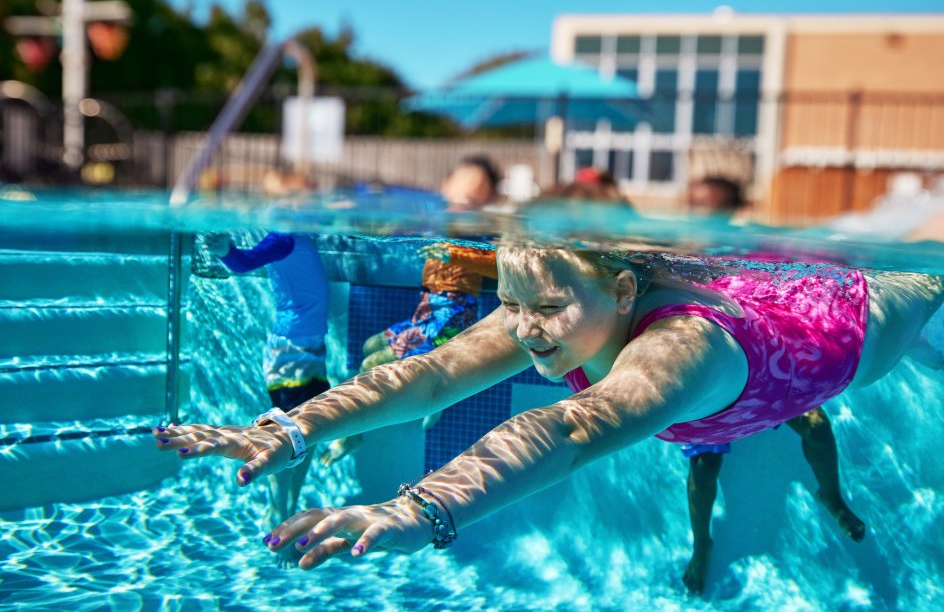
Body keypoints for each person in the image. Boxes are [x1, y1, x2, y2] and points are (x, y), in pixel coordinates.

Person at [154, 244, 944, 574]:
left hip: (839, 337)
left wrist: (417, 510)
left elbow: (567, 428)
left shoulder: (685, 349)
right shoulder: (551, 301)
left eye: (546, 305)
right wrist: (292, 427)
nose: (522, 327)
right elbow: (431, 376)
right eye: (509, 302)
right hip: (745, 329)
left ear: (623, 288)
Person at [680, 174, 865, 594]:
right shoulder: (679, 250)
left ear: (734, 214)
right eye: (695, 211)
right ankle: (701, 542)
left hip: (762, 362)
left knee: (816, 426)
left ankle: (831, 495)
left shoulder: (757, 248)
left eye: (711, 212)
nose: (700, 220)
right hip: (713, 365)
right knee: (704, 464)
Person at [319, 155, 502, 464]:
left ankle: (352, 435)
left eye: (479, 190)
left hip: (450, 316)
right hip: (427, 311)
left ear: (491, 199)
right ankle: (436, 391)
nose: (469, 195)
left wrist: (455, 255)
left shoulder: (483, 233)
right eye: (464, 186)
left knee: (374, 362)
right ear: (445, 186)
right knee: (369, 346)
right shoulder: (434, 223)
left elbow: (501, 267)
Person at [197, 230, 330, 566]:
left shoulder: (294, 237)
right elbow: (244, 263)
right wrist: (225, 250)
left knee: (306, 435)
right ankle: (280, 516)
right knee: (298, 435)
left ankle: (284, 512)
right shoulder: (284, 237)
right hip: (293, 355)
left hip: (302, 351)